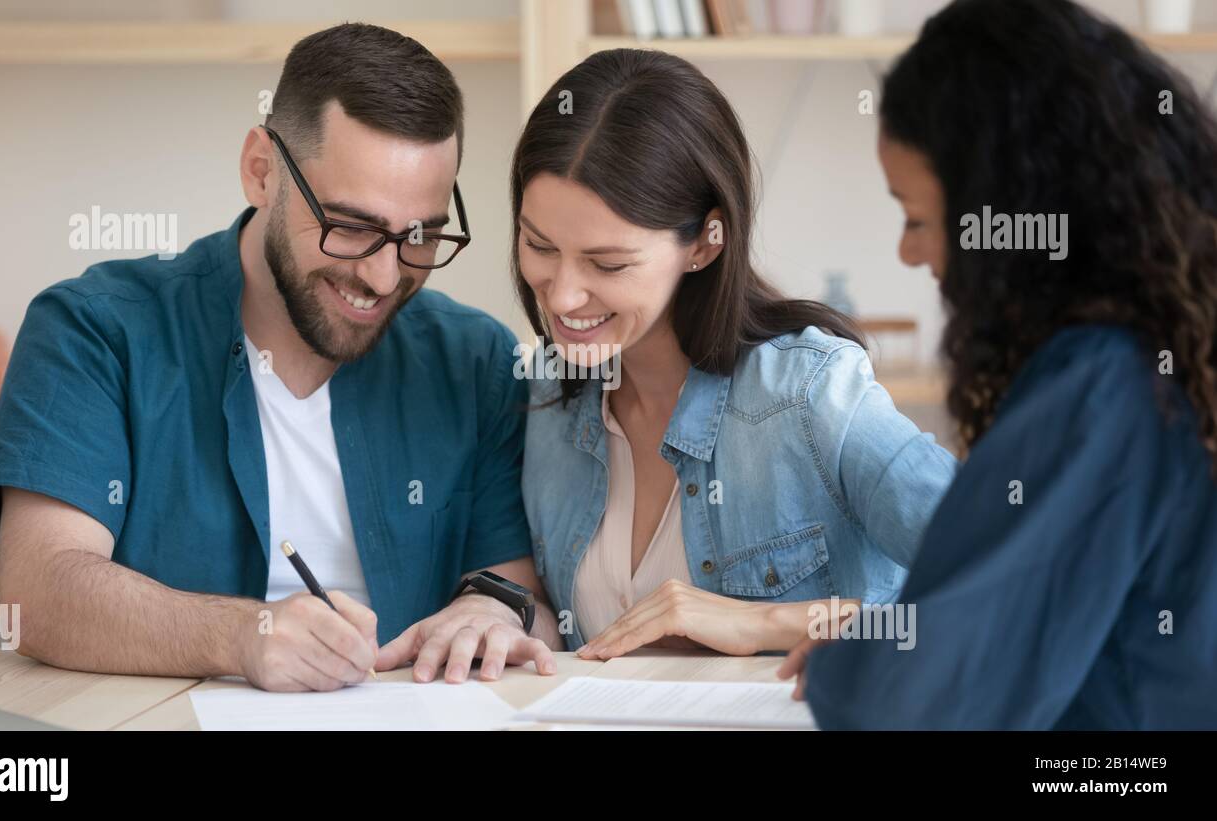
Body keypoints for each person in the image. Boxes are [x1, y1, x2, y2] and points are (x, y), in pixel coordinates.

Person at [0, 23, 559, 691]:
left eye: (419, 235)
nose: (387, 277)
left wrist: (489, 607)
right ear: (261, 172)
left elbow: (516, 589)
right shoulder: (96, 331)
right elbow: (39, 594)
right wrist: (243, 634)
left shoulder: (475, 361)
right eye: (352, 227)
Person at [780, 0, 1217, 729]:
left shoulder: (1103, 382)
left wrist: (847, 658)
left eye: (917, 218)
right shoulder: (1171, 350)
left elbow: (922, 699)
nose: (908, 253)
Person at [513, 48, 957, 658]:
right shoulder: (545, 401)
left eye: (607, 263)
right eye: (539, 245)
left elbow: (1026, 575)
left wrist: (766, 625)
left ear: (703, 243)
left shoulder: (806, 394)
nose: (562, 295)